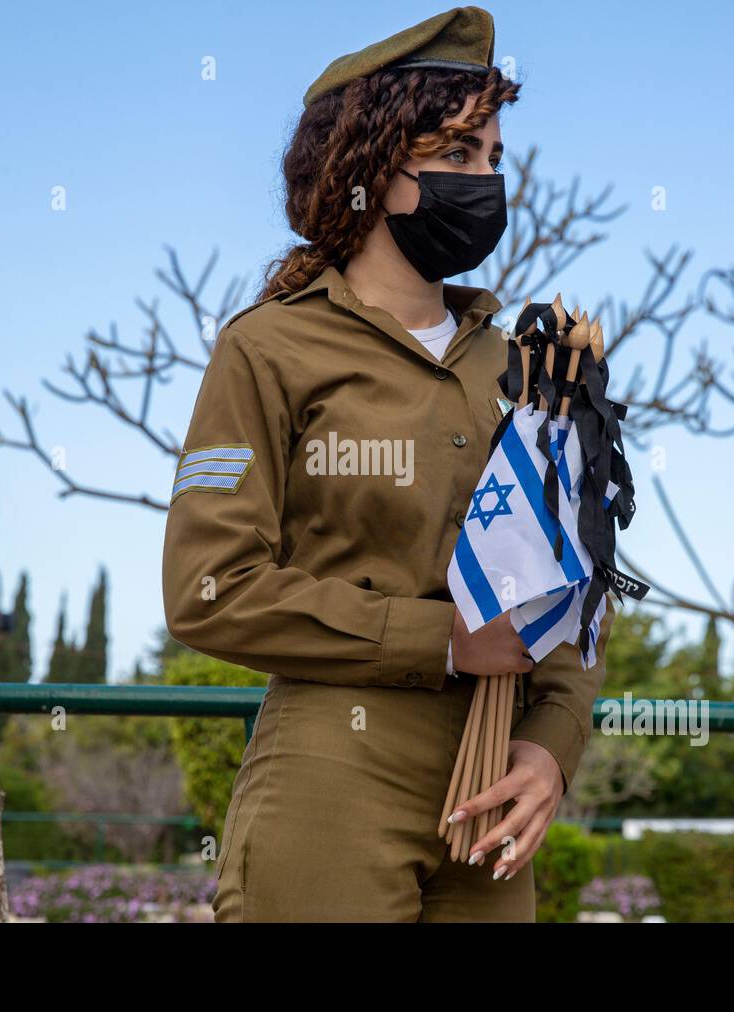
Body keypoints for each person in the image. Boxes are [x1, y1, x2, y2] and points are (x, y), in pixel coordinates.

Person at [161, 5, 615, 922]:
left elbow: (574, 592)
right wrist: (440, 640)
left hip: (494, 794)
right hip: (334, 770)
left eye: (492, 158)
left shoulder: (529, 366)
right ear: (367, 168)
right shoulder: (268, 348)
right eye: (455, 155)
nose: (484, 181)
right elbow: (210, 588)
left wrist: (551, 747)